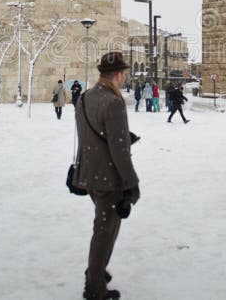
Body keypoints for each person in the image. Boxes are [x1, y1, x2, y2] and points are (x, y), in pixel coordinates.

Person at [72, 52, 140, 300]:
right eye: (124, 74)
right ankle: (94, 287)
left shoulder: (85, 98)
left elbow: (89, 137)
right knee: (105, 231)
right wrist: (133, 184)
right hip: (109, 179)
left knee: (104, 226)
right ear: (119, 75)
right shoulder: (113, 101)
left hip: (89, 174)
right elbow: (119, 151)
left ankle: (97, 272)